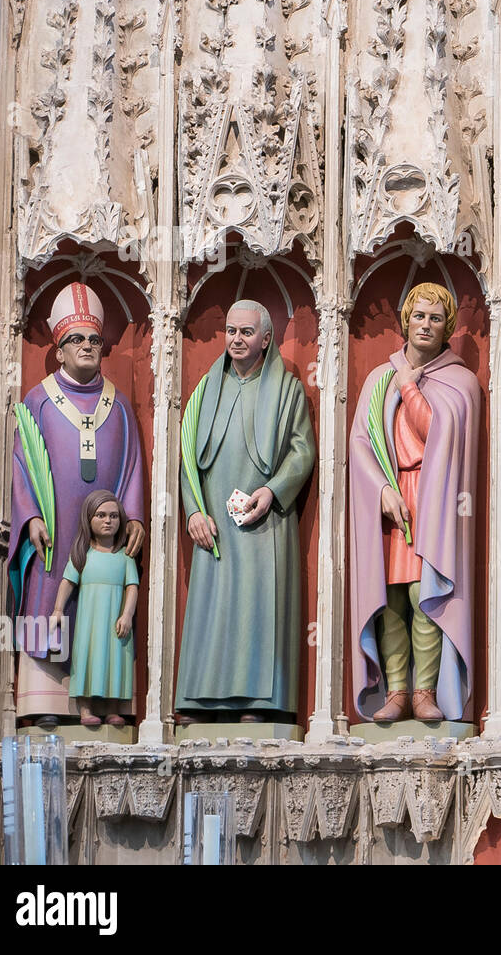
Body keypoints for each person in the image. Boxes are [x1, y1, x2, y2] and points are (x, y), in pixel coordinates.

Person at [8, 282, 145, 726]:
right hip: (55, 529)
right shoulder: (39, 401)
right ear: (58, 348)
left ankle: (103, 701)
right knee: (48, 596)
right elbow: (21, 465)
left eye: (93, 339)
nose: (86, 346)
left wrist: (136, 516)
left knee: (104, 610)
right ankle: (46, 699)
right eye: (76, 339)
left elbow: (133, 466)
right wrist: (29, 517)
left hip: (105, 538)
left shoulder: (119, 406)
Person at [175, 300, 316, 723]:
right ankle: (204, 700)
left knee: (259, 607)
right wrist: (192, 512)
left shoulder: (288, 389)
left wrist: (273, 491)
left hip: (264, 521)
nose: (237, 339)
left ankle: (259, 702)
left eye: (246, 332)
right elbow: (184, 459)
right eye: (231, 331)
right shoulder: (204, 390)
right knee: (213, 607)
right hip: (214, 522)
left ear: (266, 339)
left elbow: (302, 450)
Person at [349, 283, 480, 724]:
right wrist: (381, 490)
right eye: (419, 316)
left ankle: (426, 692)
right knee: (390, 598)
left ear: (448, 329)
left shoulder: (458, 380)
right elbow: (360, 443)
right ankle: (397, 691)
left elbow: (437, 435)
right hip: (389, 498)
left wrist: (410, 387)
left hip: (436, 495)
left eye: (436, 318)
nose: (426, 325)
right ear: (405, 321)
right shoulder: (377, 379)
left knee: (426, 593)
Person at [49, 490, 138, 728]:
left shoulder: (125, 557)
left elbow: (132, 587)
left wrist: (127, 614)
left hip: (116, 621)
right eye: (100, 515)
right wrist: (58, 609)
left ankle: (112, 709)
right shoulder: (82, 555)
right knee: (87, 659)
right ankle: (85, 707)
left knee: (114, 661)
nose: (108, 521)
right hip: (89, 621)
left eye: (113, 516)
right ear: (89, 518)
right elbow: (67, 582)